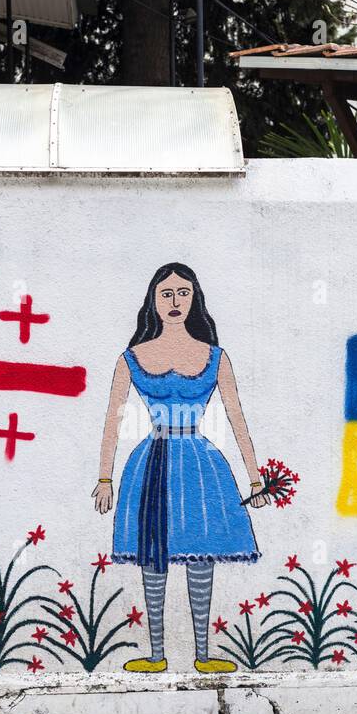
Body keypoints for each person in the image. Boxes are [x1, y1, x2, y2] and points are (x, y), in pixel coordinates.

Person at [93, 263, 267, 674]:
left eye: (183, 292)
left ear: (195, 299)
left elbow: (237, 417)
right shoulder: (131, 358)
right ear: (154, 300)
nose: (175, 302)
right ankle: (156, 654)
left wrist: (256, 478)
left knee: (200, 551)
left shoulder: (215, 357)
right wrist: (105, 477)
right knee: (153, 555)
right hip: (151, 461)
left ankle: (203, 654)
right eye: (166, 293)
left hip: (199, 461)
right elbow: (113, 420)